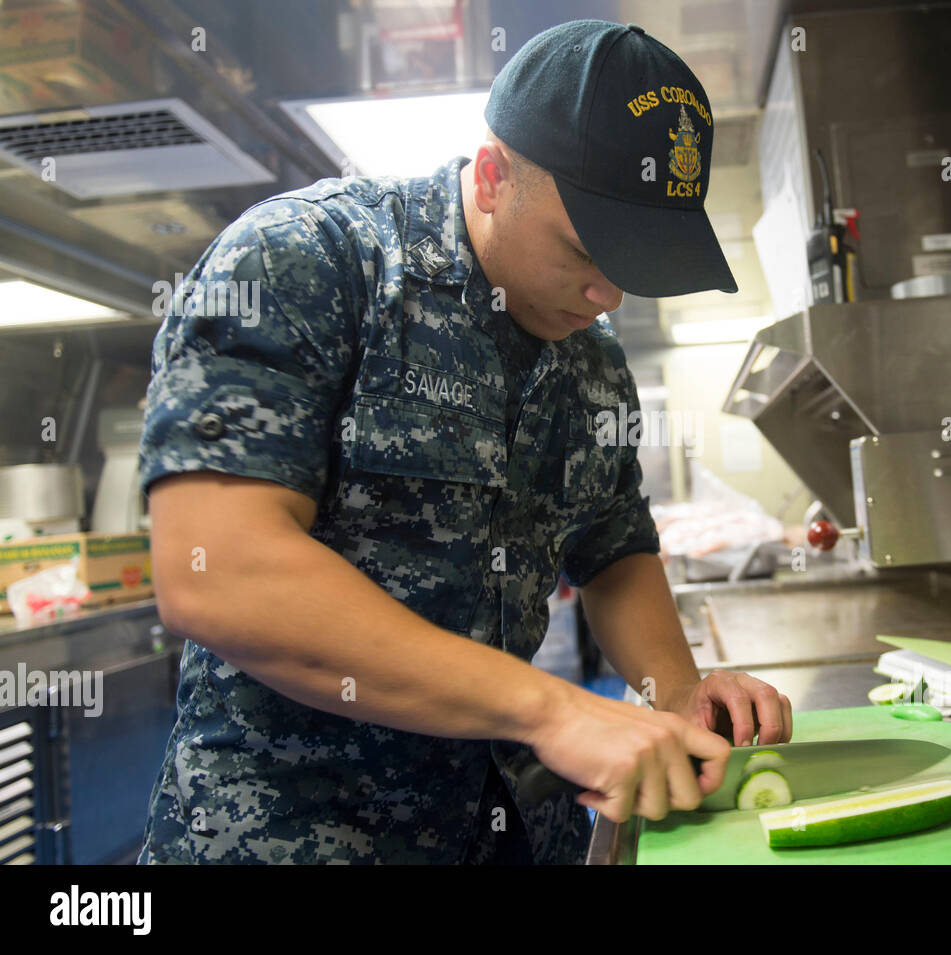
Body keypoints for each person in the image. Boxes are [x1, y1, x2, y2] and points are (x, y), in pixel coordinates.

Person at [136, 19, 792, 865]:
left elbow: (614, 552)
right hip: (291, 838)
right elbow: (216, 571)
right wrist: (551, 708)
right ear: (491, 176)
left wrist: (679, 692)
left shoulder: (590, 357)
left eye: (634, 266)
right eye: (585, 251)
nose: (608, 294)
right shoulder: (306, 261)